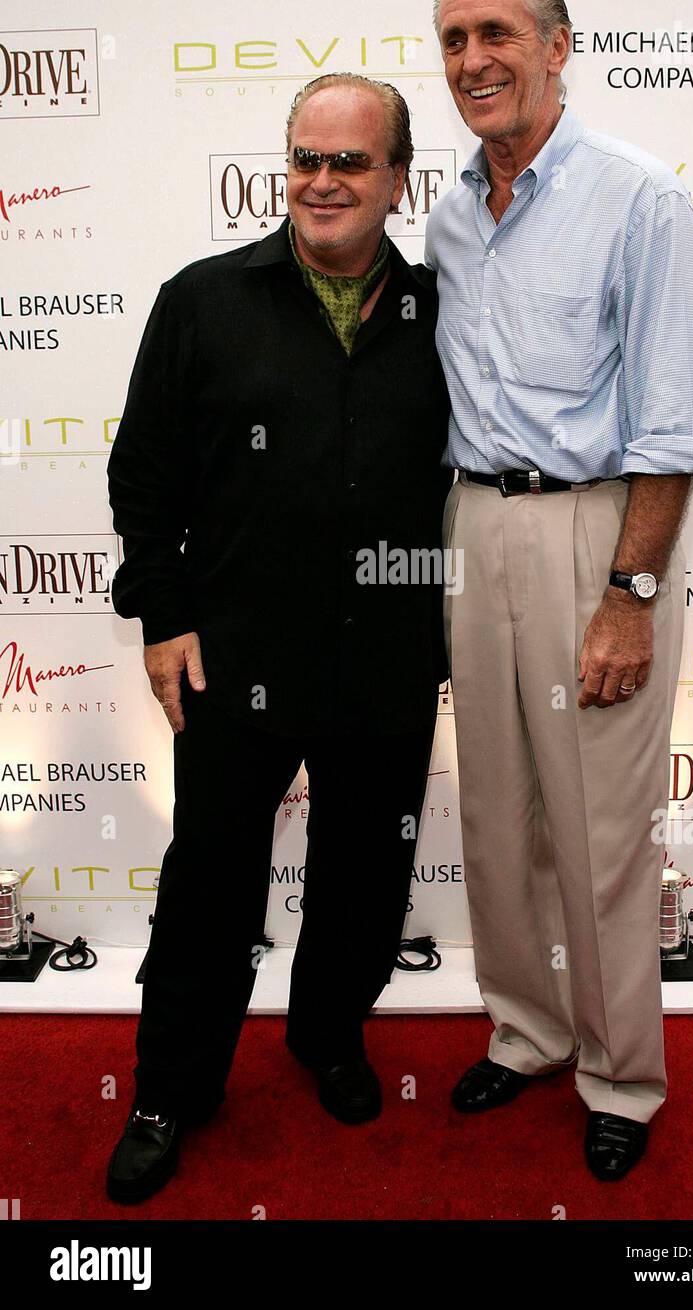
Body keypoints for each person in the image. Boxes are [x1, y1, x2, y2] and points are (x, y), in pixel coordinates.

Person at [105, 73, 452, 1203]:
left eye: (351, 161)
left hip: (388, 653)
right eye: (305, 157)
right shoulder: (203, 300)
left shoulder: (447, 313)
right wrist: (163, 613)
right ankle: (169, 1090)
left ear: (401, 177)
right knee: (208, 881)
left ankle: (328, 1037)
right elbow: (144, 476)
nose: (322, 180)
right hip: (235, 654)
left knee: (365, 870)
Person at [426, 0, 693, 1180]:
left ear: (557, 45)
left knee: (601, 830)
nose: (474, 60)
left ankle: (622, 1075)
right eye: (452, 40)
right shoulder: (447, 210)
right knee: (496, 816)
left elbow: (674, 421)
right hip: (470, 525)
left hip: (593, 532)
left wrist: (631, 595)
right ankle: (529, 1029)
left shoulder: (637, 195)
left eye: (498, 32)